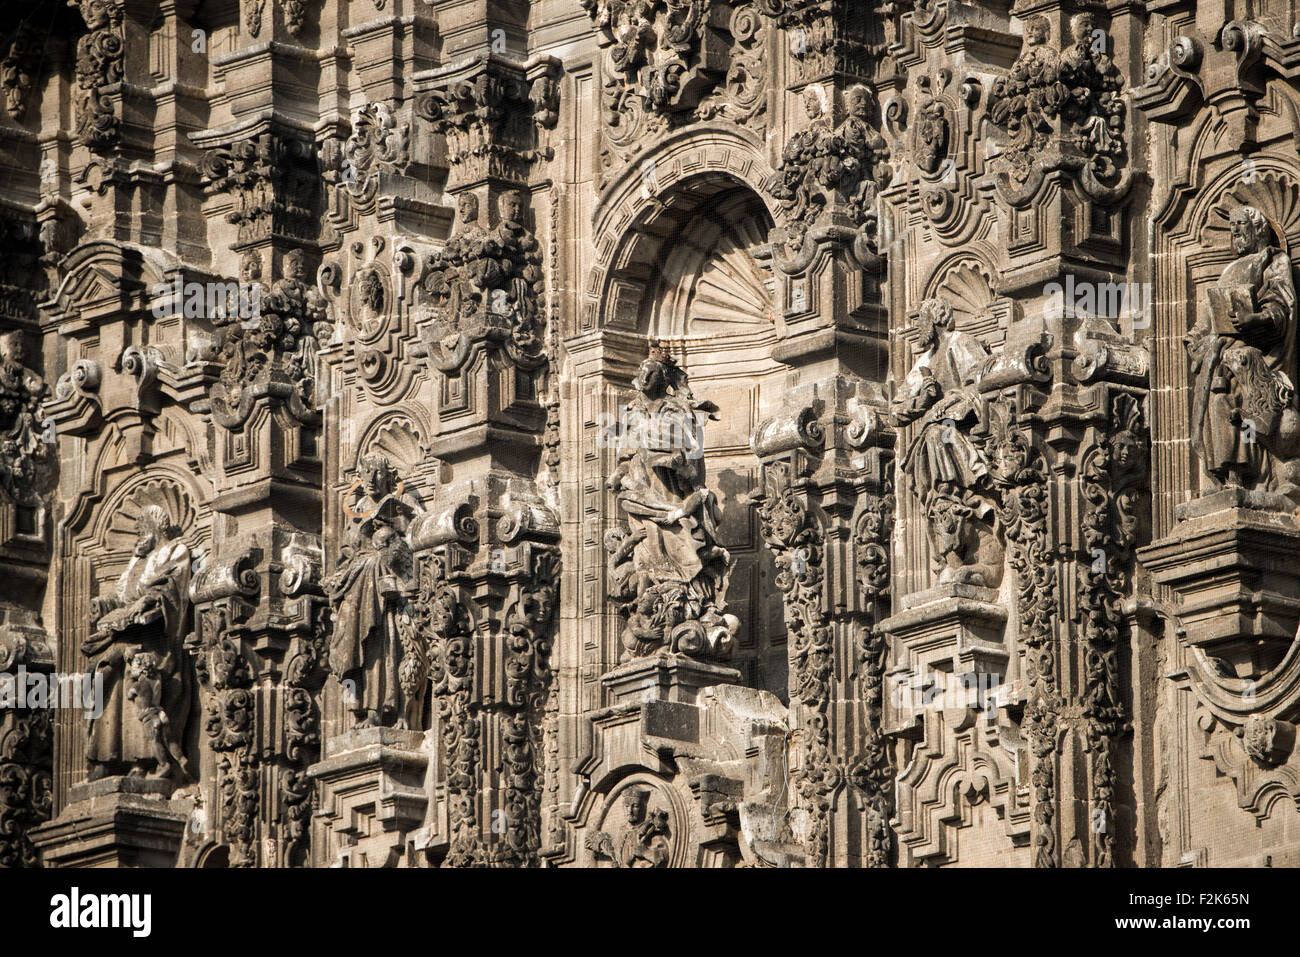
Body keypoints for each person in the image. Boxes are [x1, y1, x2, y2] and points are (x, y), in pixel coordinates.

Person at [1187, 205, 1299, 492]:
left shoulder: (1273, 260)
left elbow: (1282, 305)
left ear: (1258, 228)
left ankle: (1256, 476)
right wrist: (1196, 337)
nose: (1234, 230)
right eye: (1232, 225)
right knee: (1219, 406)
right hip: (1223, 356)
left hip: (1254, 358)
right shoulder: (1227, 270)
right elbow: (1210, 316)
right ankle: (1229, 475)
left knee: (1241, 408)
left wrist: (1254, 319)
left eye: (1240, 224)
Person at [84, 505, 192, 781]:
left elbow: (172, 583)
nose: (139, 535)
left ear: (157, 528)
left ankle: (145, 760)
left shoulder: (174, 551)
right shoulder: (137, 560)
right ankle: (108, 757)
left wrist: (147, 600)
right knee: (108, 684)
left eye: (142, 529)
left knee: (140, 692)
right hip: (125, 635)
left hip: (154, 638)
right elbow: (119, 594)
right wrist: (103, 604)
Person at [326, 454, 423, 728]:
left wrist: (388, 539)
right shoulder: (356, 512)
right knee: (345, 647)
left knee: (378, 646)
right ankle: (353, 704)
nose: (370, 479)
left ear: (388, 476)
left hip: (382, 588)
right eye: (365, 473)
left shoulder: (402, 505)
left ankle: (377, 709)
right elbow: (347, 552)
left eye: (376, 473)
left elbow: (414, 543)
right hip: (353, 586)